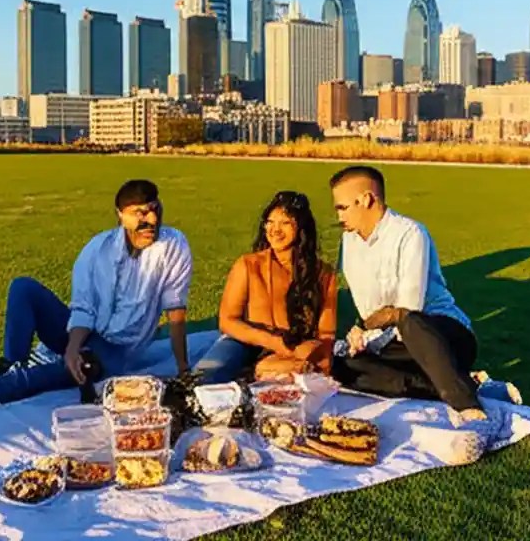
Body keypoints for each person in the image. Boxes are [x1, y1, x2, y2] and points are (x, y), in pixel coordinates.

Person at [0, 179, 192, 420]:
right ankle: (13, 363)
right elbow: (83, 307)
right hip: (84, 331)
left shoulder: (173, 245)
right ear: (120, 215)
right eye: (140, 213)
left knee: (42, 377)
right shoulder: (97, 249)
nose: (150, 219)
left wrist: (182, 368)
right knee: (23, 287)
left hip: (115, 351)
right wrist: (72, 348)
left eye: (154, 209)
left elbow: (175, 310)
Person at [328, 165, 507, 463]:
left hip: (443, 334)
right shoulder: (349, 241)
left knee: (410, 322)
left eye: (343, 207)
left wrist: (372, 324)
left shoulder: (410, 234)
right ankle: (459, 384)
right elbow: (370, 311)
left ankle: (471, 410)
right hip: (393, 344)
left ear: (367, 199)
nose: (339, 217)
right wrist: (361, 332)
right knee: (338, 367)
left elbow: (405, 309)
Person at [193, 191, 337, 384]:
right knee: (204, 378)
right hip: (246, 342)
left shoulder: (323, 274)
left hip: (296, 347)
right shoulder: (248, 265)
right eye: (270, 222)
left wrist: (309, 353)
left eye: (285, 223)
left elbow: (326, 335)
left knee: (309, 372)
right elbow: (227, 321)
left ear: (302, 228)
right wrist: (272, 342)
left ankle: (264, 371)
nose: (275, 230)